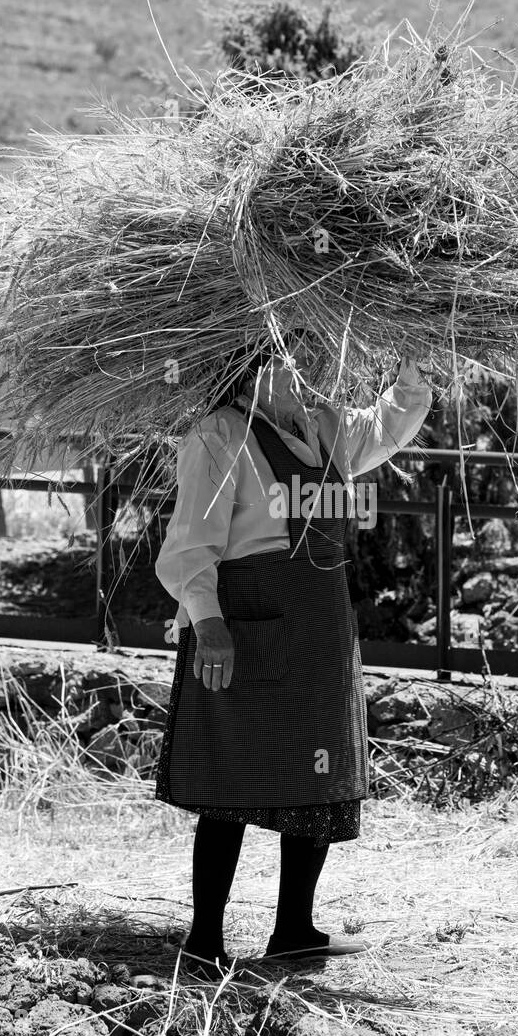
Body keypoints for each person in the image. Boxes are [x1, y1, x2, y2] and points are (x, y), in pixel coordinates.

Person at [154, 340, 432, 976]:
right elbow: (190, 543)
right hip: (248, 627)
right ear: (253, 365)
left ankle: (295, 931)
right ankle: (204, 941)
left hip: (322, 630)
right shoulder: (219, 436)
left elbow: (392, 421)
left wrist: (413, 357)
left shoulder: (324, 426)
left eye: (310, 349)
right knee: (231, 778)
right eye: (292, 352)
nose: (307, 363)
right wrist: (210, 624)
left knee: (317, 777)